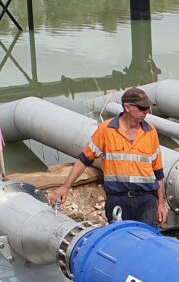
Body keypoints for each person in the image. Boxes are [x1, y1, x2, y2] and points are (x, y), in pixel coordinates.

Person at [50, 86, 167, 226]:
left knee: (147, 240)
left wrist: (161, 203)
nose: (146, 111)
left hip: (146, 200)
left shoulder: (150, 131)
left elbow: (158, 172)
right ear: (127, 107)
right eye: (142, 108)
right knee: (120, 242)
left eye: (148, 108)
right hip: (118, 199)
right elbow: (84, 160)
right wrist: (65, 186)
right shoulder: (106, 130)